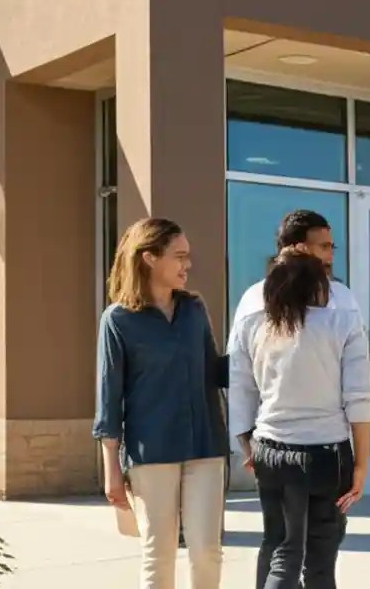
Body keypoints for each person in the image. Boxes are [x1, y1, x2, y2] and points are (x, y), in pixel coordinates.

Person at [93, 218, 229, 588]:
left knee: (207, 550)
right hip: (150, 452)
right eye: (179, 256)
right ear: (149, 258)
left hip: (205, 445)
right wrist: (112, 471)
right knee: (159, 553)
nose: (188, 265)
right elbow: (109, 398)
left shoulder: (193, 309)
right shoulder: (118, 320)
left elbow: (214, 370)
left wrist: (262, 351)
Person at [228, 248, 370, 589]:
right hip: (328, 455)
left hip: (271, 451)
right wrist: (361, 466)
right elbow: (359, 398)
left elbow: (242, 388)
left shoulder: (255, 325)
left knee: (283, 551)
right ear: (318, 287)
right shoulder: (343, 323)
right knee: (321, 562)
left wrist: (246, 445)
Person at [230, 209, 360, 328]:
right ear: (297, 250)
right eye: (324, 247)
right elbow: (238, 352)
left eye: (332, 247)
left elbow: (357, 352)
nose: (330, 255)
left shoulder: (342, 300)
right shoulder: (255, 300)